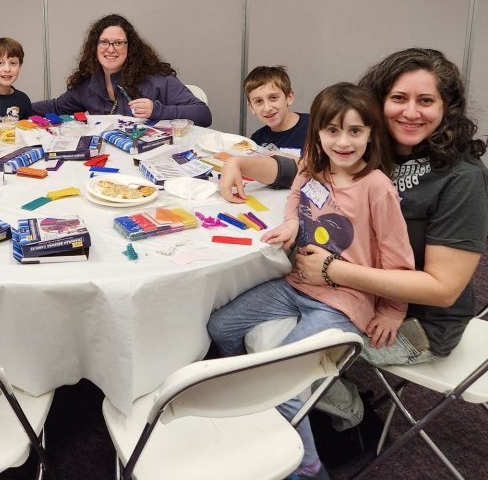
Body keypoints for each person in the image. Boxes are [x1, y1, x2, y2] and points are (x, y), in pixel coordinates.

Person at [219, 48, 488, 439]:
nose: (411, 112)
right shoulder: (381, 147)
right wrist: (238, 164)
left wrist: (331, 269)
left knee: (272, 358)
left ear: (447, 107)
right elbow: (305, 168)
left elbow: (443, 290)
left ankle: (340, 404)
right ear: (378, 102)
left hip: (413, 323)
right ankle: (285, 404)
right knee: (235, 320)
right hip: (332, 289)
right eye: (399, 98)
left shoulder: (461, 178)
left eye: (426, 101)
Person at [208, 82, 414, 480]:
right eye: (333, 130)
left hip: (344, 300)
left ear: (371, 133)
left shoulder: (377, 187)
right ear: (317, 131)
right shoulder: (310, 164)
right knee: (220, 325)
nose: (343, 141)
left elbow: (399, 261)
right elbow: (296, 194)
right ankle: (256, 407)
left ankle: (308, 466)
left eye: (355, 131)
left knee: (280, 380)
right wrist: (290, 221)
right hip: (298, 283)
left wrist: (393, 309)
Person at [32, 14, 212, 126]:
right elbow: (56, 107)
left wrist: (157, 110)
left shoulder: (157, 80)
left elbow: (203, 115)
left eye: (118, 43)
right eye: (104, 42)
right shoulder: (89, 83)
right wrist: (16, 105)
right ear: (94, 47)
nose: (110, 49)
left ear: (130, 47)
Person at [245, 65, 309, 150]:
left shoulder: (314, 126)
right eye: (259, 101)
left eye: (273, 98)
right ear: (251, 107)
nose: (267, 108)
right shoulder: (257, 140)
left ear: (289, 97)